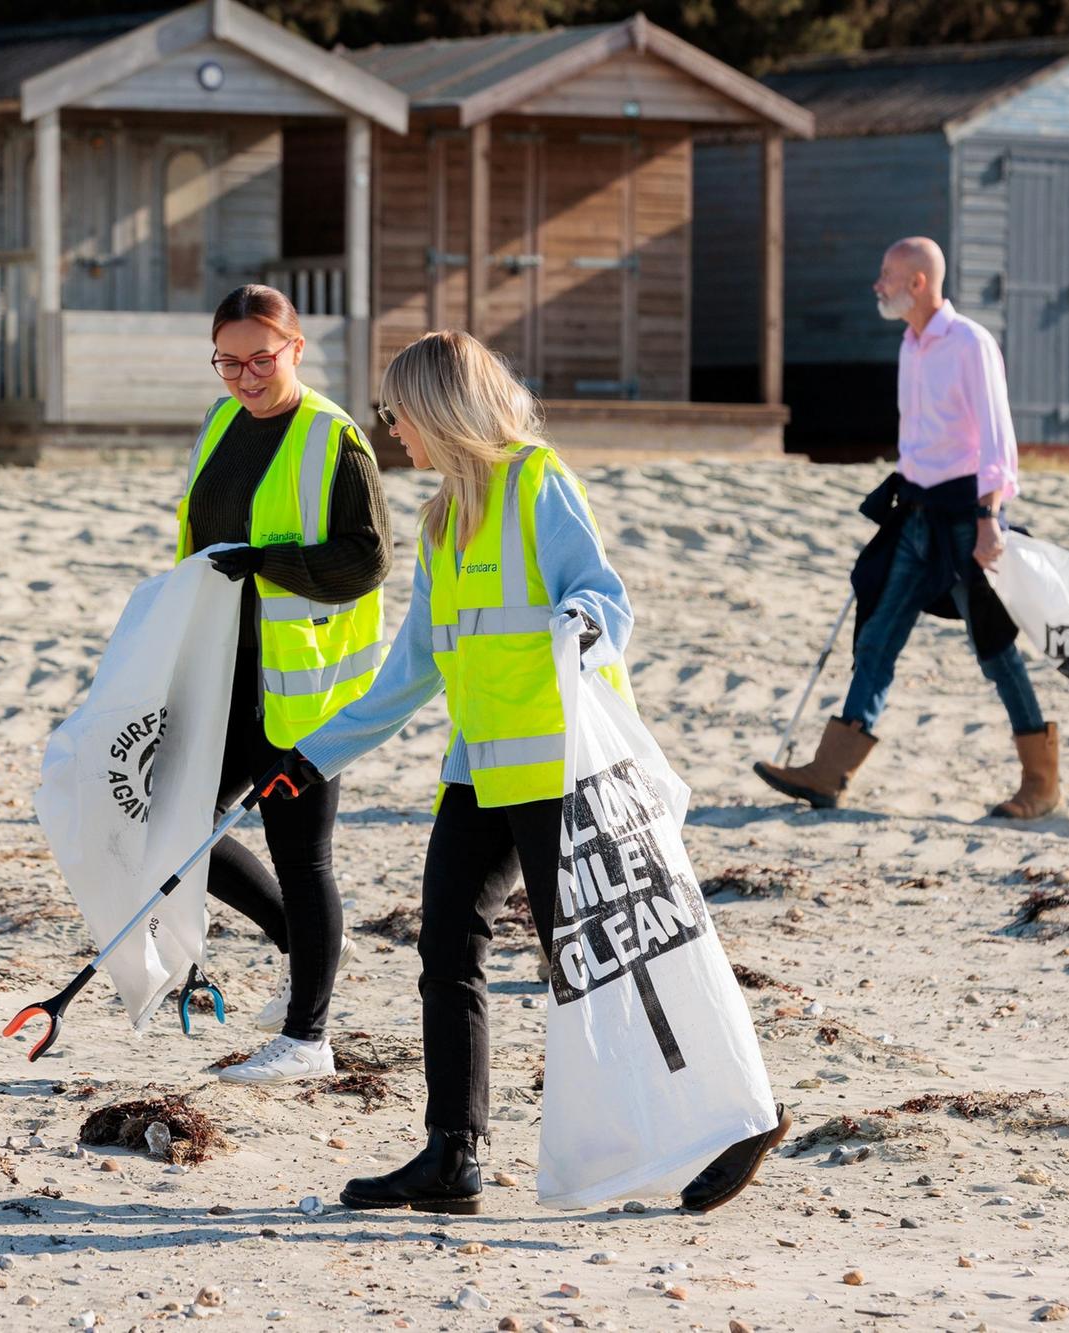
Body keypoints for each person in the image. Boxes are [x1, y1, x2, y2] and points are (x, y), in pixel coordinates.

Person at [259, 331, 789, 1215]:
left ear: (438, 409)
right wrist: (310, 758)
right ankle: (452, 1153)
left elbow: (604, 595)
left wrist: (580, 620)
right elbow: (410, 672)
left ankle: (741, 1112)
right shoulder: (438, 520)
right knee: (446, 949)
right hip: (477, 773)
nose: (395, 433)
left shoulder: (540, 482)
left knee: (610, 958)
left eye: (399, 414)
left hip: (560, 775)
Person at [755, 237, 1060, 819]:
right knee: (876, 637)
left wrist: (990, 520)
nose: (878, 285)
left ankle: (1041, 783)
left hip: (966, 522)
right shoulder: (911, 345)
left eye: (887, 275)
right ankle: (828, 773)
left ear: (919, 282)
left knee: (994, 650)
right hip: (914, 517)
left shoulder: (970, 343)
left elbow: (998, 442)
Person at [176, 284, 392, 1084]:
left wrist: (268, 562)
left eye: (261, 358)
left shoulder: (335, 439)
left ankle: (308, 1036)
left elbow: (367, 560)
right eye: (228, 361)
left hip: (304, 686)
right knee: (178, 827)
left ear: (296, 348)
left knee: (302, 857)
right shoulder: (221, 422)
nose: (244, 376)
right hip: (222, 668)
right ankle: (305, 951)